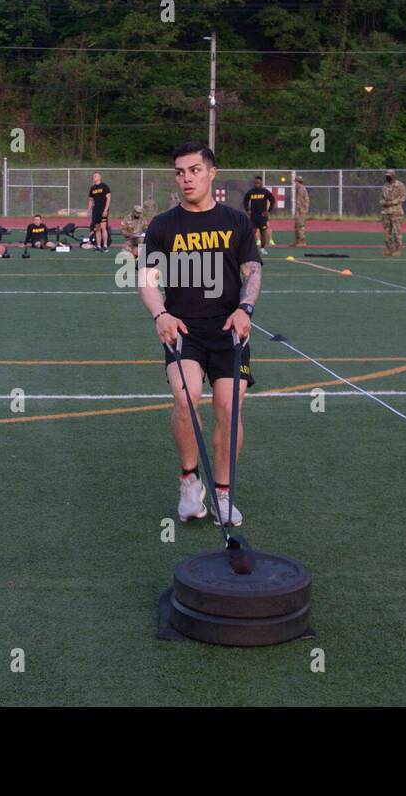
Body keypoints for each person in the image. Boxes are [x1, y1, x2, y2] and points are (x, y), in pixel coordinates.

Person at [140, 143, 262, 527]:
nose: (186, 178)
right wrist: (160, 314)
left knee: (229, 407)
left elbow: (252, 272)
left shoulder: (236, 221)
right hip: (183, 330)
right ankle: (190, 482)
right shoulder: (163, 225)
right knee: (186, 397)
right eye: (180, 172)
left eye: (194, 170)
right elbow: (147, 279)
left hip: (228, 330)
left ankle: (224, 493)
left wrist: (245, 309)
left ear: (212, 173)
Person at [242, 175, 275, 255]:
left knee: (263, 233)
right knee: (251, 232)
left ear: (261, 183)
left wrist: (268, 211)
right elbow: (245, 200)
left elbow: (272, 200)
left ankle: (262, 248)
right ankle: (251, 249)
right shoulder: (251, 192)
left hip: (262, 216)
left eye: (258, 183)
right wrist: (247, 210)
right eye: (255, 183)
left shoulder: (265, 192)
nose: (257, 184)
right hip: (253, 216)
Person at [380, 170, 406, 257]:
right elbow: (382, 198)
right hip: (386, 212)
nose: (387, 177)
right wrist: (383, 202)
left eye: (389, 175)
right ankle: (389, 249)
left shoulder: (400, 185)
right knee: (387, 232)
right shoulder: (385, 186)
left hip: (396, 212)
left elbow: (403, 197)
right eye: (386, 175)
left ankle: (398, 250)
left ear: (393, 176)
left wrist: (392, 202)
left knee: (396, 232)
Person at [87, 172, 111, 251]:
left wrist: (105, 210)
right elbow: (91, 200)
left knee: (103, 227)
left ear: (100, 177)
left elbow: (108, 198)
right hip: (95, 210)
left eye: (96, 176)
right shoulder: (92, 188)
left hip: (103, 209)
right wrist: (89, 210)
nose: (94, 177)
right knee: (97, 228)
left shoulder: (104, 186)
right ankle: (98, 245)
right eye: (93, 176)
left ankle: (105, 245)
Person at [291, 176, 310, 247]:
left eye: (295, 182)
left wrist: (300, 210)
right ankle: (297, 241)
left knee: (300, 226)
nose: (295, 183)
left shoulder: (301, 189)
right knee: (297, 226)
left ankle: (302, 242)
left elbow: (300, 201)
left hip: (301, 210)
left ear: (298, 182)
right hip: (300, 210)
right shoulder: (300, 189)